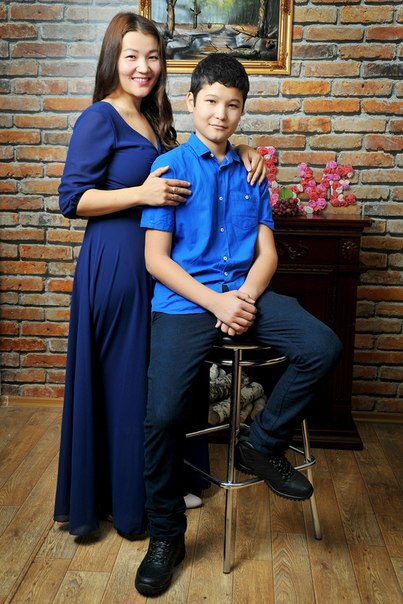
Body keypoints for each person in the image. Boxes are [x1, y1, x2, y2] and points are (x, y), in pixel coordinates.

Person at [135, 53, 343, 596]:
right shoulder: (170, 168)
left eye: (232, 105)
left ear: (242, 110)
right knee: (162, 416)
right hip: (186, 301)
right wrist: (217, 304)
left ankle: (261, 442)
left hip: (246, 295)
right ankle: (166, 536)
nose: (221, 114)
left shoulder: (254, 171)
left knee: (322, 346)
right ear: (191, 102)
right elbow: (156, 260)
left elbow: (266, 252)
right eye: (211, 102)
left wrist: (245, 297)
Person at [54, 13, 267, 540]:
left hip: (160, 265)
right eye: (132, 56)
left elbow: (198, 156)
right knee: (127, 383)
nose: (143, 66)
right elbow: (72, 199)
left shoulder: (155, 116)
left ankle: (161, 484)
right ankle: (128, 501)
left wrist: (244, 150)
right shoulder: (100, 117)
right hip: (116, 264)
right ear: (113, 58)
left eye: (153, 56)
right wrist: (141, 194)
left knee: (156, 382)